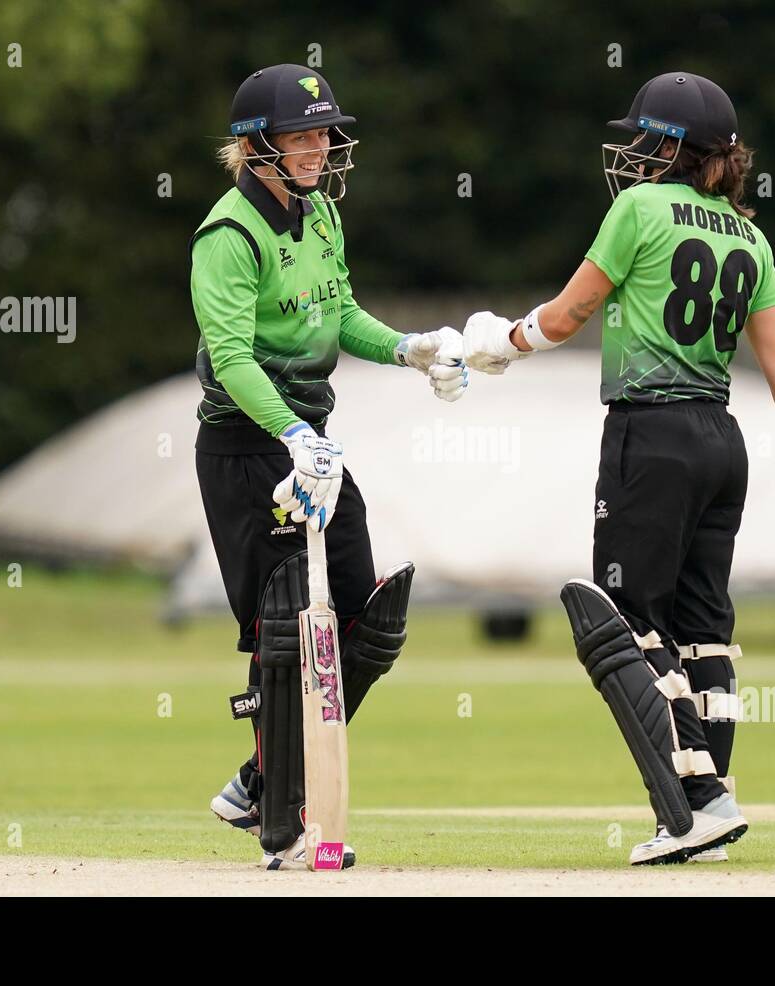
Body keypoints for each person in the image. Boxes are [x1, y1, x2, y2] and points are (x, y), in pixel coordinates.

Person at [461, 71, 775, 865]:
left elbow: (571, 313)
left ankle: (694, 802)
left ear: (673, 148)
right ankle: (717, 794)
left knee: (629, 622)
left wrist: (501, 344)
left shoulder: (638, 209)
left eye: (645, 137)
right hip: (724, 440)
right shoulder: (751, 236)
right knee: (704, 628)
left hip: (653, 435)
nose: (634, 152)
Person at [190, 64, 467, 870]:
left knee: (364, 622)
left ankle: (261, 777)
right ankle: (286, 825)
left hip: (311, 442)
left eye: (324, 133)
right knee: (283, 629)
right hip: (248, 450)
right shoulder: (228, 235)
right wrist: (290, 434)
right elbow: (234, 358)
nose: (320, 146)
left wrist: (409, 349)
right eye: (304, 134)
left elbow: (339, 315)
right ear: (255, 146)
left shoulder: (319, 218)